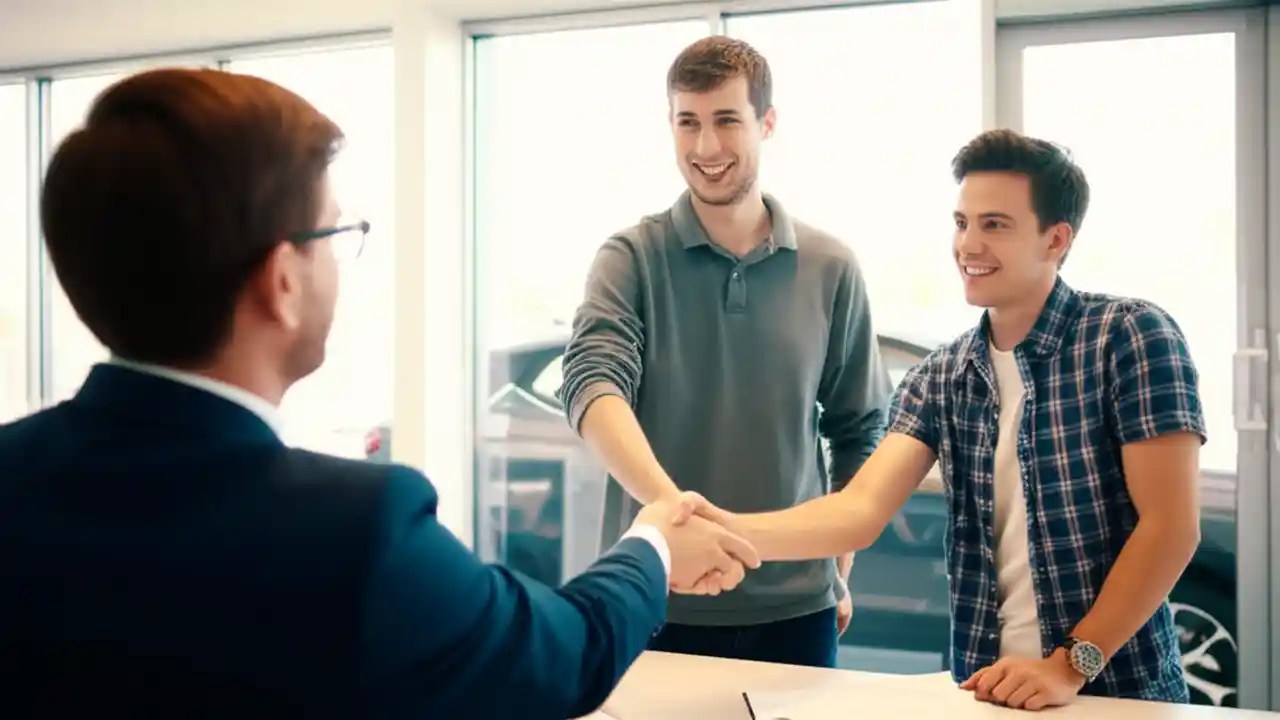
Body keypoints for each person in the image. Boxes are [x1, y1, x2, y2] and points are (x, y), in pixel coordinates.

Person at [0, 68, 760, 719]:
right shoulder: (356, 534)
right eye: (335, 233)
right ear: (284, 281)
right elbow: (562, 655)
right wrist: (654, 544)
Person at [685, 128, 1205, 709]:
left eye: (995, 225)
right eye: (962, 223)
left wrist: (1069, 664)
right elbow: (858, 511)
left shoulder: (1130, 336)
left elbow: (1170, 528)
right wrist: (717, 528)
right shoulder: (943, 375)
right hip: (988, 692)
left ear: (1056, 239)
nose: (969, 246)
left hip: (1116, 693)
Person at [558, 35, 891, 669]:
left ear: (766, 123)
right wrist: (673, 517)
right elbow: (593, 384)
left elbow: (860, 429)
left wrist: (837, 562)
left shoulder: (831, 266)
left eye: (726, 121)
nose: (706, 147)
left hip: (796, 611)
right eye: (689, 122)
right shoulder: (630, 258)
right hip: (656, 597)